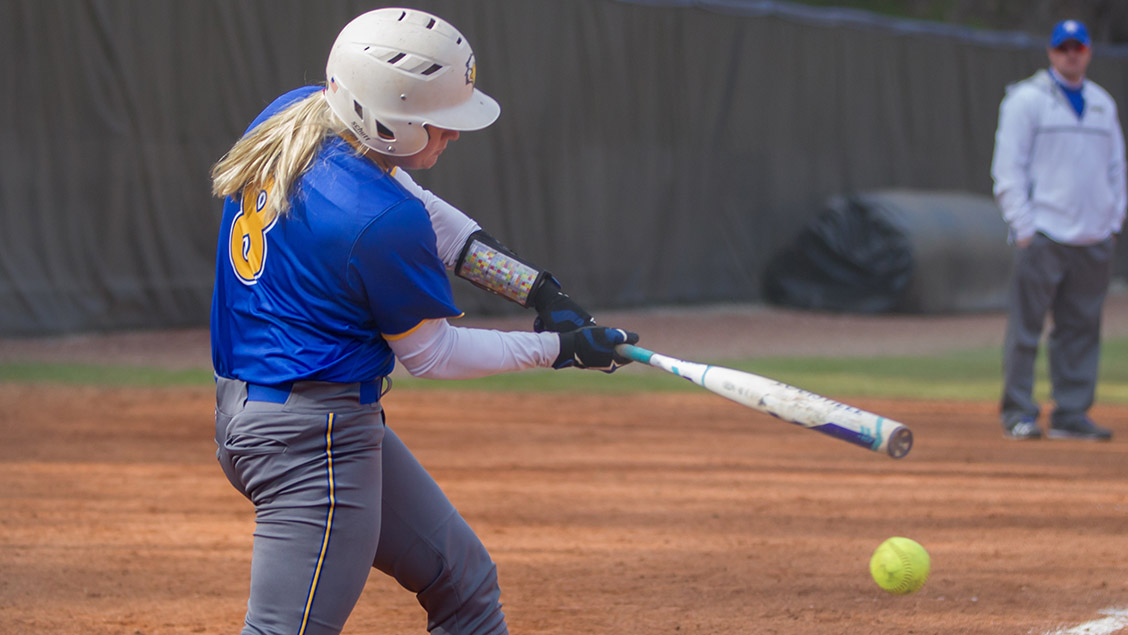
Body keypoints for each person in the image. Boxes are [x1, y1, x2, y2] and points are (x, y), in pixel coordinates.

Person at [208, 8, 639, 634]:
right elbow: (433, 355)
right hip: (312, 442)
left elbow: (422, 207)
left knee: (464, 583)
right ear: (387, 122)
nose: (454, 135)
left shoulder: (301, 113)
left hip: (280, 416)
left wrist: (537, 289)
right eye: (438, 124)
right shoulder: (375, 222)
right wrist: (557, 348)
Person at [990, 19, 1127, 441]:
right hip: (1045, 234)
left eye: (1078, 47)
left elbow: (1116, 168)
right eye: (1063, 47)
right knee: (1027, 328)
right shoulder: (1027, 100)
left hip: (1093, 237)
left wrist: (1112, 221)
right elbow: (1007, 168)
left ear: (1088, 52)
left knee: (1082, 328)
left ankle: (1071, 413)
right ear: (1051, 52)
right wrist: (1025, 226)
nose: (1071, 54)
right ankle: (1019, 411)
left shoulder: (1102, 103)